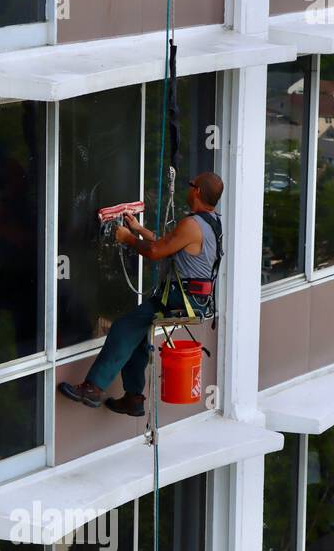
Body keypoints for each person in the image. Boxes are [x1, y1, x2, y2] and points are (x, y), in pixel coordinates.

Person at [58, 170, 223, 418]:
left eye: (191, 185)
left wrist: (127, 239)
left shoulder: (191, 224)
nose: (188, 188)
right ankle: (133, 398)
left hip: (182, 299)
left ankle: (93, 388)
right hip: (195, 298)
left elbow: (156, 252)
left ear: (197, 191)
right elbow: (167, 243)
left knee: (124, 327)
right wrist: (138, 229)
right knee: (136, 331)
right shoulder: (211, 222)